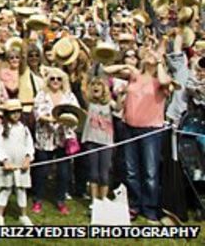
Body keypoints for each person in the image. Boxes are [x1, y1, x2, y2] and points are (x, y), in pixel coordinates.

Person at [106, 46, 171, 222]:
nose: (149, 54)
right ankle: (134, 205)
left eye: (153, 54)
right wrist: (126, 67)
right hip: (129, 128)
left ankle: (150, 208)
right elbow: (107, 70)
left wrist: (158, 61)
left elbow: (165, 82)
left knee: (150, 172)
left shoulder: (161, 79)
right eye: (147, 53)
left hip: (150, 131)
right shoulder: (135, 76)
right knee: (131, 170)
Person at [31, 67, 78, 214]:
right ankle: (38, 199)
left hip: (63, 138)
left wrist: (66, 120)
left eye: (59, 79)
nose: (56, 81)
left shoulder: (69, 95)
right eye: (52, 78)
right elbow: (37, 112)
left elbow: (77, 114)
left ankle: (61, 200)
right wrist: (50, 118)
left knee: (64, 172)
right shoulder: (41, 95)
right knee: (42, 171)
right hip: (45, 137)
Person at [0, 99, 34, 227]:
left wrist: (28, 158)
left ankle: (23, 215)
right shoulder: (1, 129)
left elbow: (30, 145)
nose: (16, 115)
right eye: (12, 112)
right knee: (5, 189)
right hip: (7, 165)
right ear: (6, 114)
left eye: (18, 112)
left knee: (21, 190)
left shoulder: (24, 129)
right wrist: (4, 160)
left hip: (21, 165)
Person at [81, 76, 115, 204]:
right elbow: (83, 87)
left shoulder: (109, 103)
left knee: (104, 173)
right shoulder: (89, 102)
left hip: (106, 141)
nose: (96, 87)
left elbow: (118, 108)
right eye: (93, 84)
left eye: (99, 84)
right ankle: (94, 200)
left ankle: (103, 199)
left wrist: (122, 95)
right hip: (91, 140)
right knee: (93, 173)